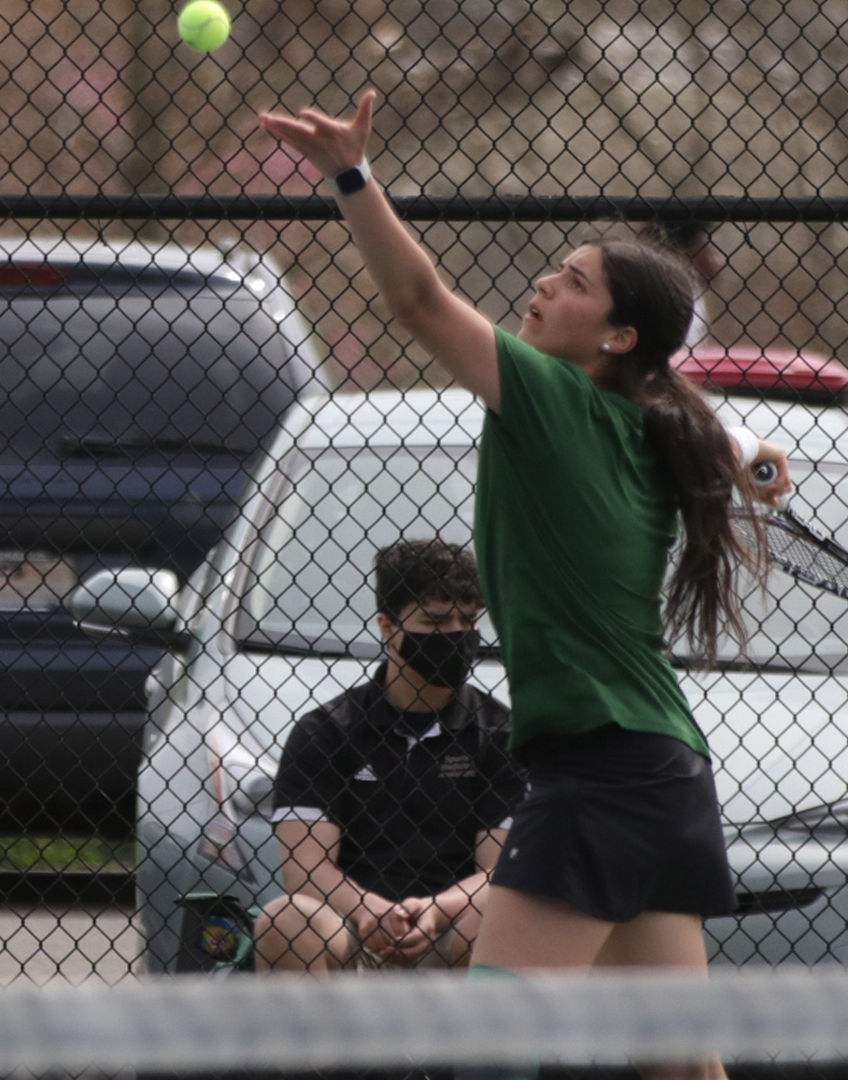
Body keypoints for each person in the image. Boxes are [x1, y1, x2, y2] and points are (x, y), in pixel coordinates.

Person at [260, 92, 789, 1080]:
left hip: (602, 771)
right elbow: (704, 420)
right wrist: (750, 450)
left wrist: (352, 176)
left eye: (576, 282)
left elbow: (419, 301)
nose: (546, 282)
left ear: (618, 338)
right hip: (660, 766)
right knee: (681, 1067)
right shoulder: (651, 424)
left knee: (492, 1046)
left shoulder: (553, 398)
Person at [257, 539, 524, 973]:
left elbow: (500, 872)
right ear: (387, 626)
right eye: (435, 621)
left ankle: (470, 1021)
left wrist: (435, 910)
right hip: (352, 929)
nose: (456, 634)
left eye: (468, 619)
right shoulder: (326, 730)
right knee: (284, 918)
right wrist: (370, 911)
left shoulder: (500, 732)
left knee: (504, 916)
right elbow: (304, 869)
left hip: (450, 929)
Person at [636, 220, 726, 348]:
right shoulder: (670, 297)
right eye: (713, 247)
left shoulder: (692, 293)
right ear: (689, 250)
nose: (720, 259)